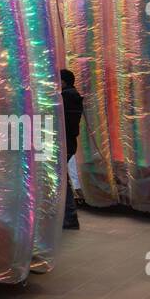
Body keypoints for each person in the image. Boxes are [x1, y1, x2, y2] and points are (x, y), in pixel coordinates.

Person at [61, 68, 83, 231]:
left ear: (63, 82)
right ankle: (68, 216)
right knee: (61, 179)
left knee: (61, 181)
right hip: (69, 144)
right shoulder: (73, 96)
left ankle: (69, 216)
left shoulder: (65, 97)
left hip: (63, 144)